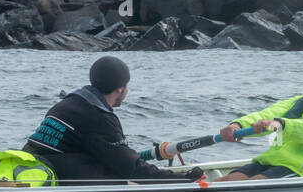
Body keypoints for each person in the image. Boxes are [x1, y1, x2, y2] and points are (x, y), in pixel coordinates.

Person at [24, 56, 204, 185]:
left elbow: (112, 154)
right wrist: (183, 178)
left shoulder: (67, 103)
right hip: (63, 181)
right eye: (127, 86)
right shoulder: (99, 118)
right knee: (127, 179)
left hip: (35, 168)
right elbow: (132, 169)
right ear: (120, 88)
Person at [213, 61, 303, 181]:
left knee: (253, 183)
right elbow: (267, 114)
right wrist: (237, 125)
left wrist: (281, 125)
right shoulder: (299, 102)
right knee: (223, 181)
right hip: (272, 161)